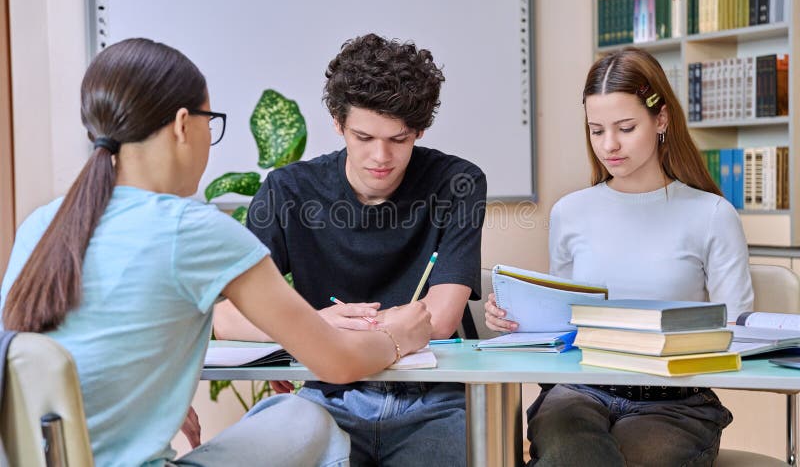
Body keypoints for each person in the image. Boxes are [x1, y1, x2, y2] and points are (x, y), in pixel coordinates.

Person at [0, 38, 434, 467]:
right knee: (303, 416)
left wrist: (149, 406)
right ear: (183, 124)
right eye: (212, 122)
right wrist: (397, 338)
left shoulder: (45, 223)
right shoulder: (193, 230)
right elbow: (336, 362)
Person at [213, 33, 487, 466]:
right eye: (363, 137)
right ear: (338, 124)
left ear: (418, 129)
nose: (381, 156)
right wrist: (316, 325)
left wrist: (314, 333)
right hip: (326, 395)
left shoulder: (457, 184)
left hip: (431, 400)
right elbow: (226, 319)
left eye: (398, 139)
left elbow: (441, 318)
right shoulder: (288, 191)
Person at [484, 47, 754, 467]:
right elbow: (564, 323)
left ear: (660, 119)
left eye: (626, 128)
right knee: (573, 453)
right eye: (596, 130)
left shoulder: (712, 215)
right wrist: (516, 322)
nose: (609, 145)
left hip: (676, 402)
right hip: (580, 392)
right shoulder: (570, 212)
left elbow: (735, 332)